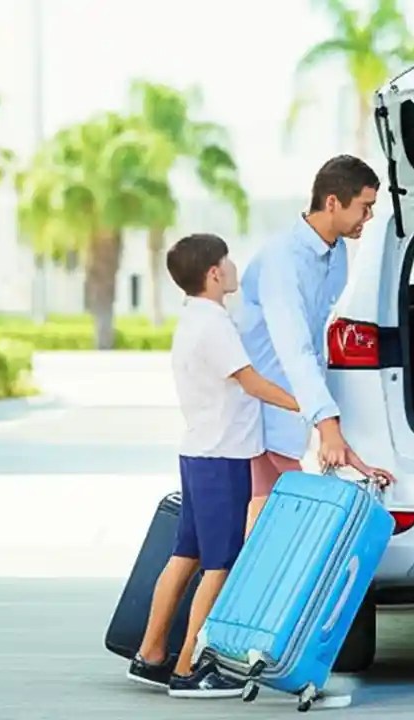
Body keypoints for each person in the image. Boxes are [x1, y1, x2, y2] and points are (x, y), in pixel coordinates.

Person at [126, 233, 303, 698]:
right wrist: (308, 406)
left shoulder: (195, 319)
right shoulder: (216, 327)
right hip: (223, 459)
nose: (232, 264)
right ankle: (188, 669)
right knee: (220, 565)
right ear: (214, 273)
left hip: (198, 453)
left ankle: (151, 655)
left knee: (187, 554)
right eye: (226, 258)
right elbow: (251, 382)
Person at [238, 155, 395, 535]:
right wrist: (327, 426)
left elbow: (320, 341)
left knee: (266, 522)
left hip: (293, 409)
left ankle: (255, 592)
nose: (368, 218)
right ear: (332, 202)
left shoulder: (336, 251)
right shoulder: (283, 260)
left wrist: (336, 428)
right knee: (289, 525)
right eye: (364, 207)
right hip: (261, 408)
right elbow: (296, 349)